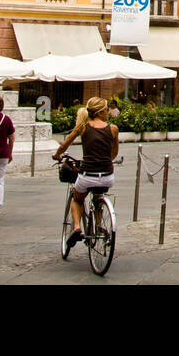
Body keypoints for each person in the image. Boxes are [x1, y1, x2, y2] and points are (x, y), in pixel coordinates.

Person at [52, 97, 118, 256]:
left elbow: (65, 144)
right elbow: (114, 153)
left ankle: (76, 227)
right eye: (107, 109)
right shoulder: (113, 129)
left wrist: (57, 154)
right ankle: (98, 223)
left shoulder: (83, 127)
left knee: (77, 198)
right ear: (101, 112)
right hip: (108, 175)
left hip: (88, 174)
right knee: (98, 195)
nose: (108, 112)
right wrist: (105, 158)